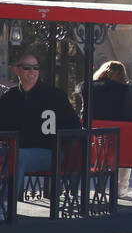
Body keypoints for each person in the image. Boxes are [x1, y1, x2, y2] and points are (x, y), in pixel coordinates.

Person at [0, 51, 82, 193]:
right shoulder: (9, 98)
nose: (32, 71)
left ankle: (6, 206)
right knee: (14, 154)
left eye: (36, 67)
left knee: (17, 156)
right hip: (12, 149)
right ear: (16, 69)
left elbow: (74, 127)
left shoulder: (55, 96)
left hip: (49, 152)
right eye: (27, 67)